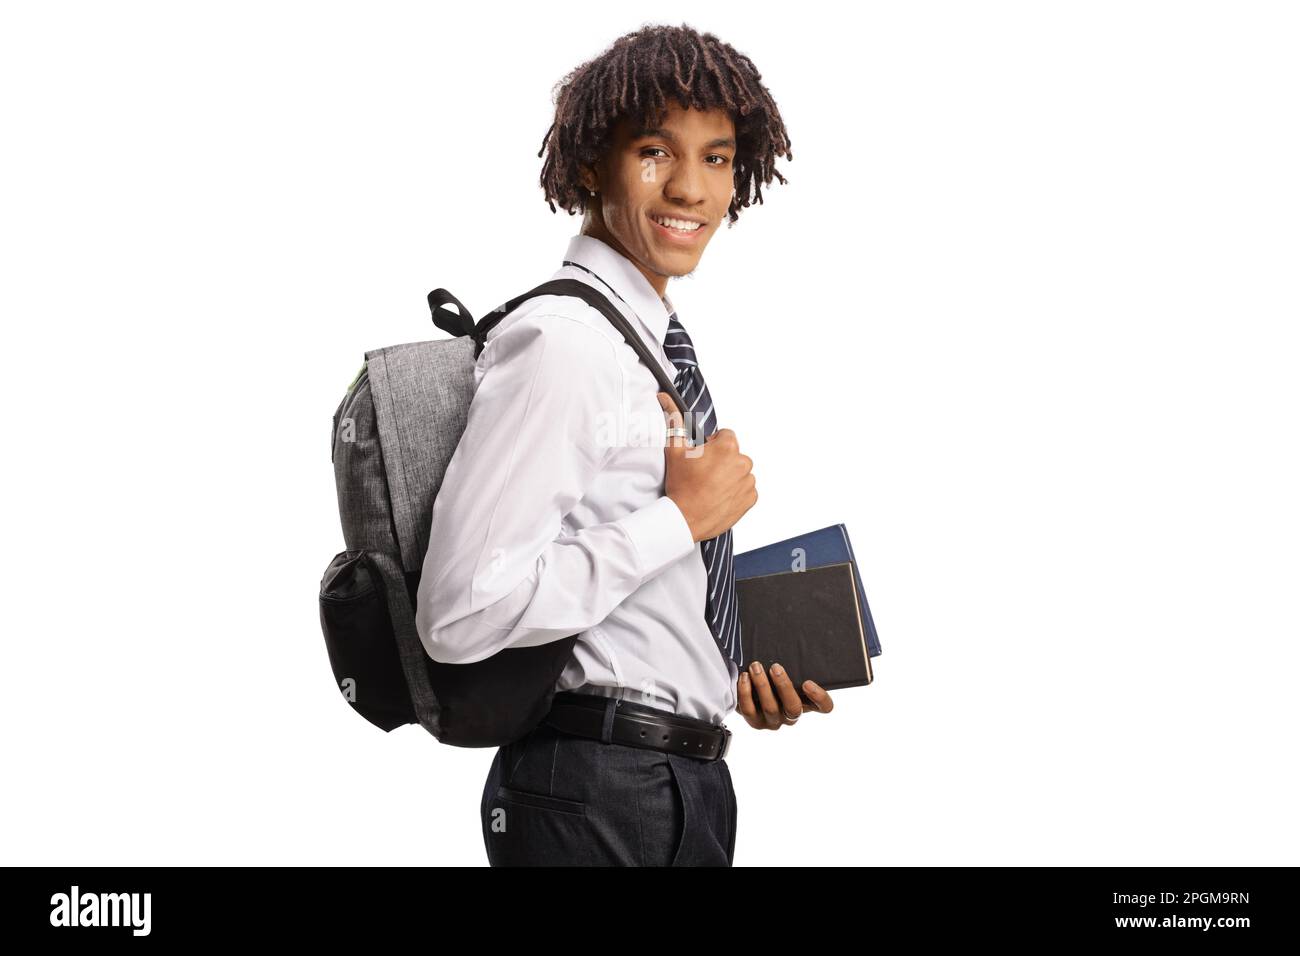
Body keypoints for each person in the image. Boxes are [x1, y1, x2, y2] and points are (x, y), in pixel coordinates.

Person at [415, 22, 833, 867]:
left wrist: (723, 674)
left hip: (669, 779)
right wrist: (682, 520)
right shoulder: (568, 342)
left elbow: (611, 584)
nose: (690, 187)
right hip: (598, 786)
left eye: (717, 158)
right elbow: (457, 615)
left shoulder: (641, 338)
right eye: (654, 151)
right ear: (587, 167)